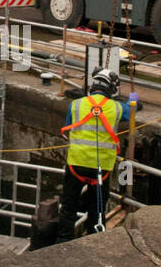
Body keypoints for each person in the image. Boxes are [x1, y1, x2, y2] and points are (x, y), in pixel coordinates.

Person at [56, 69, 138, 242]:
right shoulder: (117, 108)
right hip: (102, 169)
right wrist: (133, 99)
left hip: (76, 164)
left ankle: (63, 240)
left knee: (68, 206)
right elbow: (131, 109)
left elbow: (67, 131)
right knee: (97, 207)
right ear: (111, 89)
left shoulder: (76, 104)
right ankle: (93, 240)